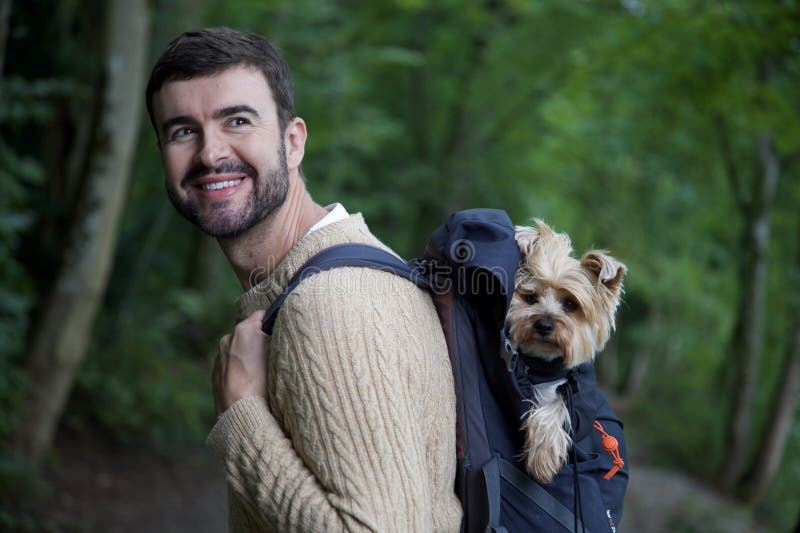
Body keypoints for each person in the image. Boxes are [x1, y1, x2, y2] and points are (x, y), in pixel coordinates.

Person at [145, 27, 462, 532]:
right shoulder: (313, 283)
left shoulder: (335, 304)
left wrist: (243, 418)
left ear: (293, 143)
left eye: (238, 121)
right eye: (183, 131)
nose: (209, 154)